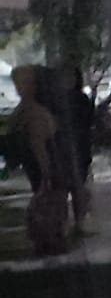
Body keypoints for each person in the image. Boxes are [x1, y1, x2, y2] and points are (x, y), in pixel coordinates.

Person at [9, 66, 70, 254]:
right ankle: (50, 244)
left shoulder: (28, 113)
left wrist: (45, 174)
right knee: (49, 208)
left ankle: (49, 244)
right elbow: (36, 144)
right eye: (20, 83)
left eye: (26, 82)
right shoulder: (29, 112)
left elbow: (37, 145)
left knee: (48, 208)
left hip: (41, 167)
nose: (22, 87)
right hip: (42, 167)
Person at [61, 64, 95, 231]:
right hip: (67, 148)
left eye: (70, 77)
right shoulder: (60, 100)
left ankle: (78, 220)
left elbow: (89, 121)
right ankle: (69, 221)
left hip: (79, 147)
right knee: (68, 186)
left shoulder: (80, 99)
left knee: (77, 185)